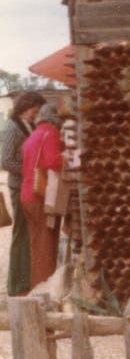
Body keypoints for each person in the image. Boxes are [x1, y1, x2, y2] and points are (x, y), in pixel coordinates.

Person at [1, 90, 46, 295]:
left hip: (27, 185)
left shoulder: (29, 124)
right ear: (24, 107)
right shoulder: (11, 127)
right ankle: (16, 285)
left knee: (27, 233)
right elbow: (6, 160)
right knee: (20, 233)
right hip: (18, 186)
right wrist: (29, 171)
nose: (35, 115)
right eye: (34, 111)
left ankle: (25, 280)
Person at [20, 102, 64, 291]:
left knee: (37, 245)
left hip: (28, 195)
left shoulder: (35, 134)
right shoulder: (51, 133)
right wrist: (71, 158)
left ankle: (36, 288)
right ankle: (42, 291)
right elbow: (53, 161)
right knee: (46, 247)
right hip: (41, 197)